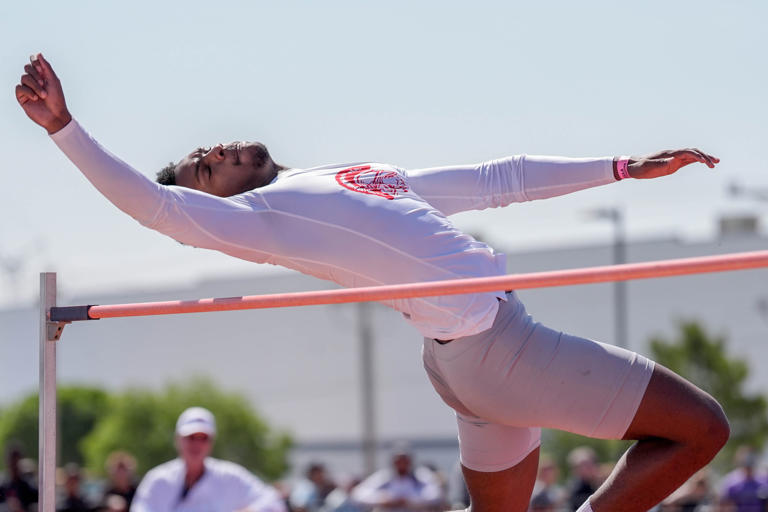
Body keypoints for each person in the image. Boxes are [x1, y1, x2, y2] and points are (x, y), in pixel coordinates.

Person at [17, 53, 731, 512]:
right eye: (206, 169)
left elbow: (495, 181)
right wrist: (66, 129)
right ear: (219, 202)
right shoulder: (262, 218)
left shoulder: (343, 178)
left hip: (469, 359)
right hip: (498, 352)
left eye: (207, 151)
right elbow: (157, 206)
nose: (215, 152)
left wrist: (621, 168)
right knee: (701, 431)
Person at [129, 407, 286, 511]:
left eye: (203, 438)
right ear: (178, 440)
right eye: (191, 437)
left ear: (211, 442)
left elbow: (274, 503)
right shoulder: (158, 480)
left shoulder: (230, 476)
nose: (197, 444)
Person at [350, 443, 444, 511]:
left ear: (410, 461)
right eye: (399, 461)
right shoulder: (384, 477)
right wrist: (384, 500)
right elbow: (358, 494)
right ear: (393, 462)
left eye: (404, 460)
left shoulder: (421, 476)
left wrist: (409, 501)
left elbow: (436, 494)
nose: (402, 464)